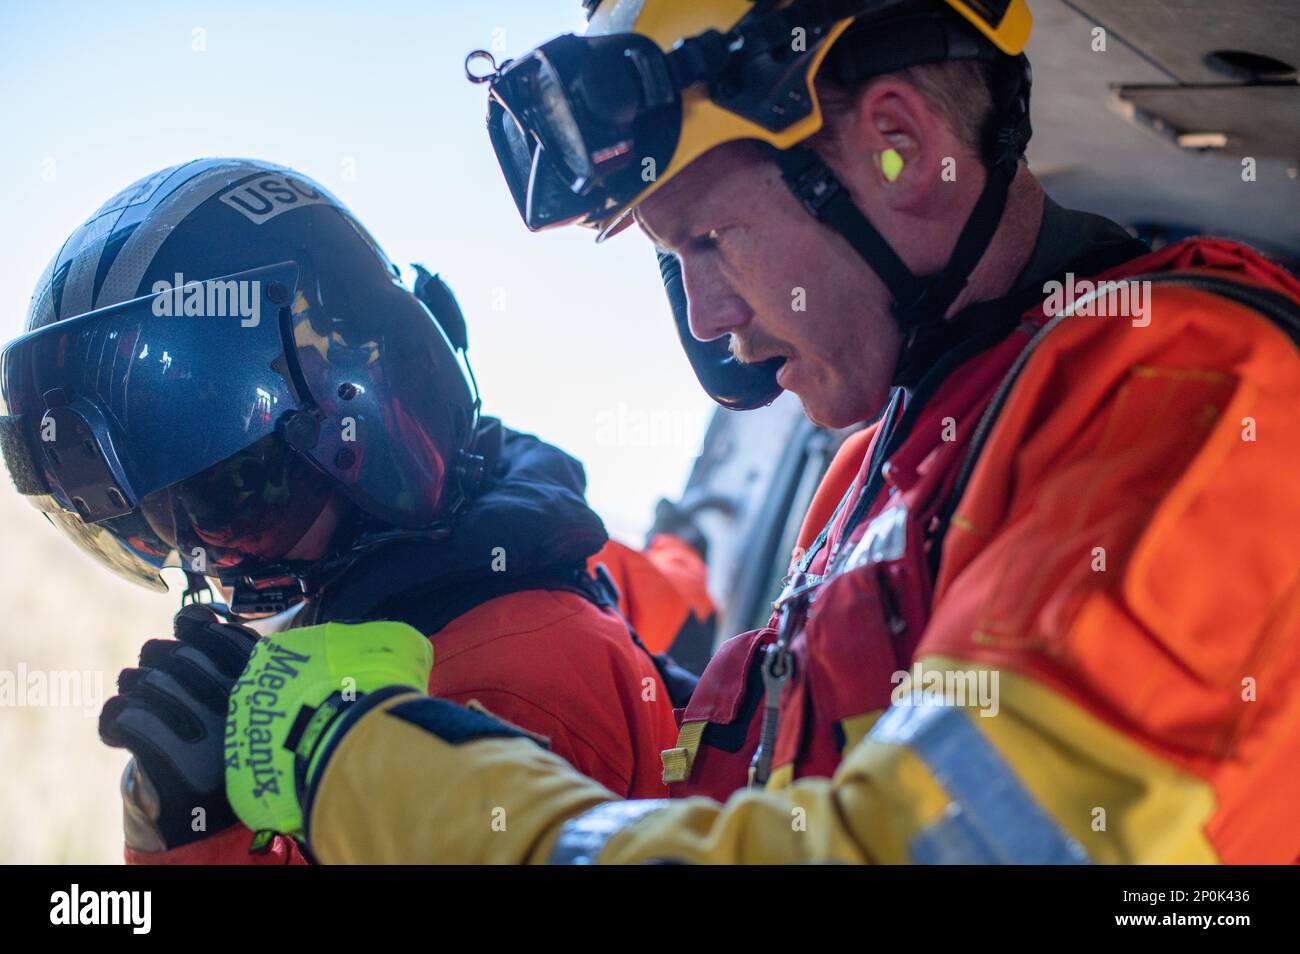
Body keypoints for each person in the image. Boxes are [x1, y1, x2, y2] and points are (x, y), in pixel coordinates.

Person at [75, 0, 1300, 864]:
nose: (707, 319)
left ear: (903, 145)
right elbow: (746, 778)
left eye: (708, 243)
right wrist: (489, 610)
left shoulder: (1196, 401)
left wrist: (347, 755)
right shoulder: (893, 459)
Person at [0, 158, 707, 864]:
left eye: (230, 497)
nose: (210, 561)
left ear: (360, 413)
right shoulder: (515, 546)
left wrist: (206, 839)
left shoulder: (486, 686)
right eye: (157, 524)